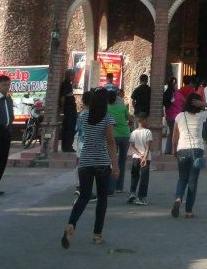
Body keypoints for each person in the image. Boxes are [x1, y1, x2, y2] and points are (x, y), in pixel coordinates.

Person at [61, 88, 119, 248]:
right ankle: (97, 234)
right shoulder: (108, 118)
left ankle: (71, 223)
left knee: (84, 196)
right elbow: (110, 142)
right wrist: (115, 165)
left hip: (85, 161)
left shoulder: (84, 116)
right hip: (101, 162)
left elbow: (80, 134)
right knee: (102, 199)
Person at [171, 94, 207, 219]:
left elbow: (175, 136)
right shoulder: (201, 116)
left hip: (182, 149)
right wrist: (203, 104)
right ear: (197, 103)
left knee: (182, 178)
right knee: (193, 181)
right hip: (198, 150)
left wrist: (174, 150)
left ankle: (178, 198)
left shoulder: (179, 116)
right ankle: (188, 211)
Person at [106, 89, 131, 194]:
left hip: (113, 136)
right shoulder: (122, 107)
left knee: (112, 161)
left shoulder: (106, 108)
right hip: (125, 135)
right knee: (122, 161)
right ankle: (119, 187)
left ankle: (111, 187)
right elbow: (130, 118)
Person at [127, 116, 152, 204]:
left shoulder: (134, 132)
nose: (148, 121)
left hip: (136, 157)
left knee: (134, 175)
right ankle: (141, 197)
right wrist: (144, 157)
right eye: (147, 120)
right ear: (143, 120)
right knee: (144, 177)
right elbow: (148, 146)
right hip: (146, 158)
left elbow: (131, 146)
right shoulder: (148, 132)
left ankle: (132, 193)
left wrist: (139, 154)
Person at [60, 69, 78, 153]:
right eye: (73, 75)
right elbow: (63, 98)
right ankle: (67, 147)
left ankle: (68, 146)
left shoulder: (69, 85)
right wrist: (63, 108)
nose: (74, 77)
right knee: (69, 129)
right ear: (69, 76)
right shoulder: (66, 85)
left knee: (71, 128)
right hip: (69, 110)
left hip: (71, 109)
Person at [162, 76, 179, 154]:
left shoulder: (166, 93)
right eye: (176, 85)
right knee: (174, 134)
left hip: (168, 116)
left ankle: (167, 150)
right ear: (174, 84)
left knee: (171, 133)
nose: (177, 86)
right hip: (175, 117)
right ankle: (172, 150)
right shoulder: (175, 94)